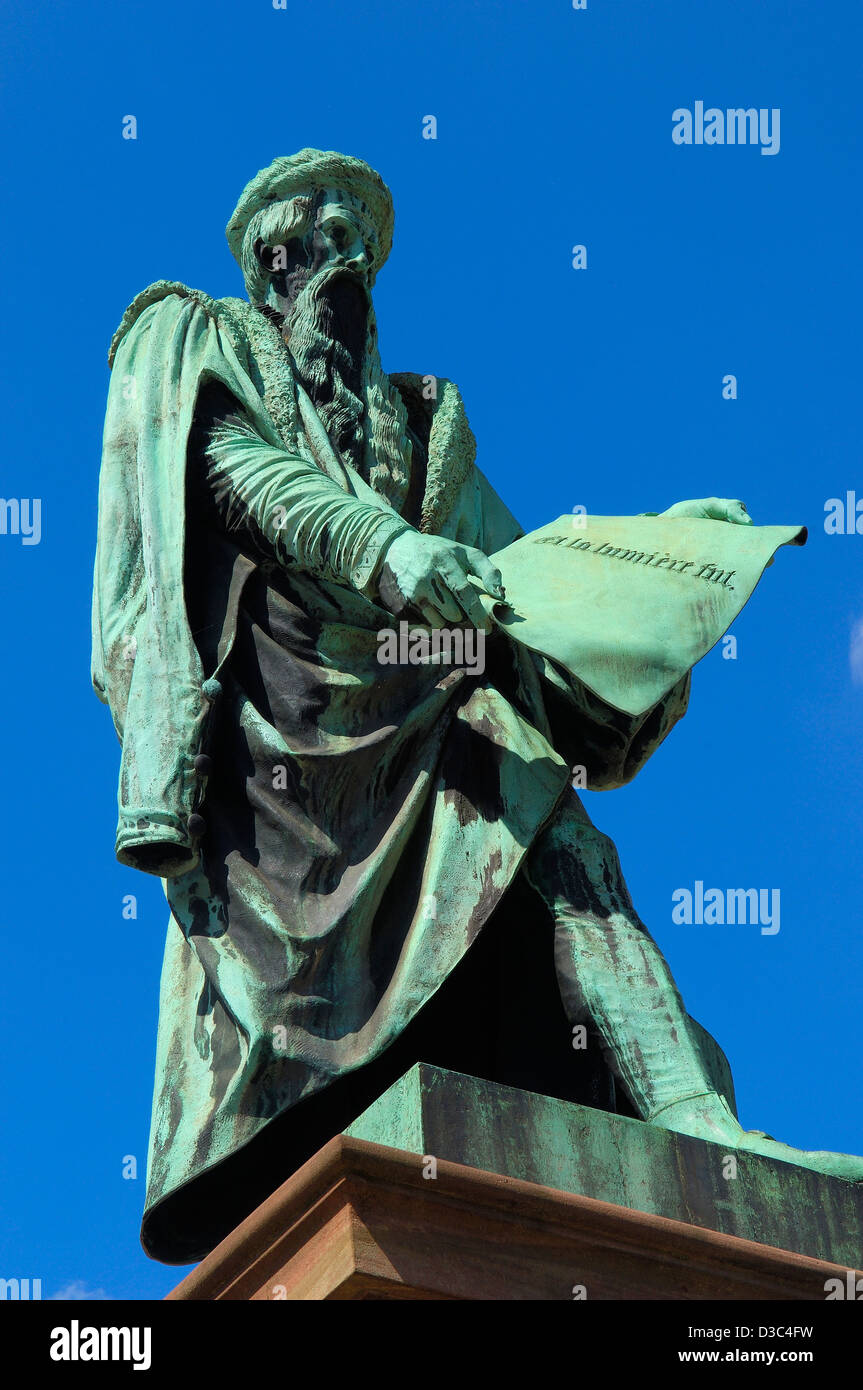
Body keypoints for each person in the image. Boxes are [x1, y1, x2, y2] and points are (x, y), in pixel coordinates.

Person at [92, 149, 863, 1265]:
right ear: (269, 258)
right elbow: (232, 473)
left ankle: (694, 1122)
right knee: (499, 764)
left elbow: (522, 584)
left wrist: (656, 563)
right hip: (289, 761)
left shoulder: (422, 425)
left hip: (428, 713)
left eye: (359, 237)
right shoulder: (199, 338)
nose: (342, 253)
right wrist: (385, 547)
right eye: (317, 231)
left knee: (551, 818)